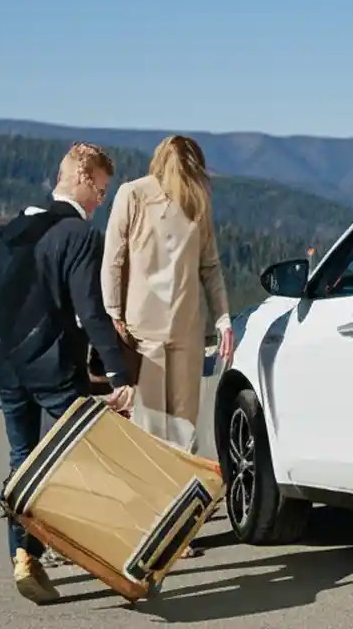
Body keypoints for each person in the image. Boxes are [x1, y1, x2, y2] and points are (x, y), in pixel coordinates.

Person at [0, 142, 137, 604]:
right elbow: (90, 311)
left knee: (24, 461)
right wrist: (118, 374)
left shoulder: (14, 230)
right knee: (79, 460)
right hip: (55, 367)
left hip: (9, 364)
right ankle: (110, 553)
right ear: (83, 178)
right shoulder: (76, 235)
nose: (101, 201)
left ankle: (25, 556)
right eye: (101, 190)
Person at [101, 135, 233, 464]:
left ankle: (156, 495)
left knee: (151, 426)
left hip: (142, 327)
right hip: (180, 327)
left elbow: (113, 260)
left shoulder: (132, 194)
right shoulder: (195, 198)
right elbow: (211, 267)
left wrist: (114, 312)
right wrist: (222, 318)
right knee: (180, 424)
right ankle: (176, 493)